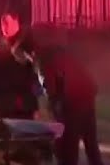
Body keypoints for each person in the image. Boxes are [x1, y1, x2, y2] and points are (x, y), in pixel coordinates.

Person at [13, 37, 103, 165]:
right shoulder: (54, 50)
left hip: (72, 102)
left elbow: (50, 89)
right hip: (87, 94)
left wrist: (52, 112)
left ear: (27, 53)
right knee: (91, 144)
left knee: (68, 148)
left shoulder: (41, 59)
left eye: (23, 57)